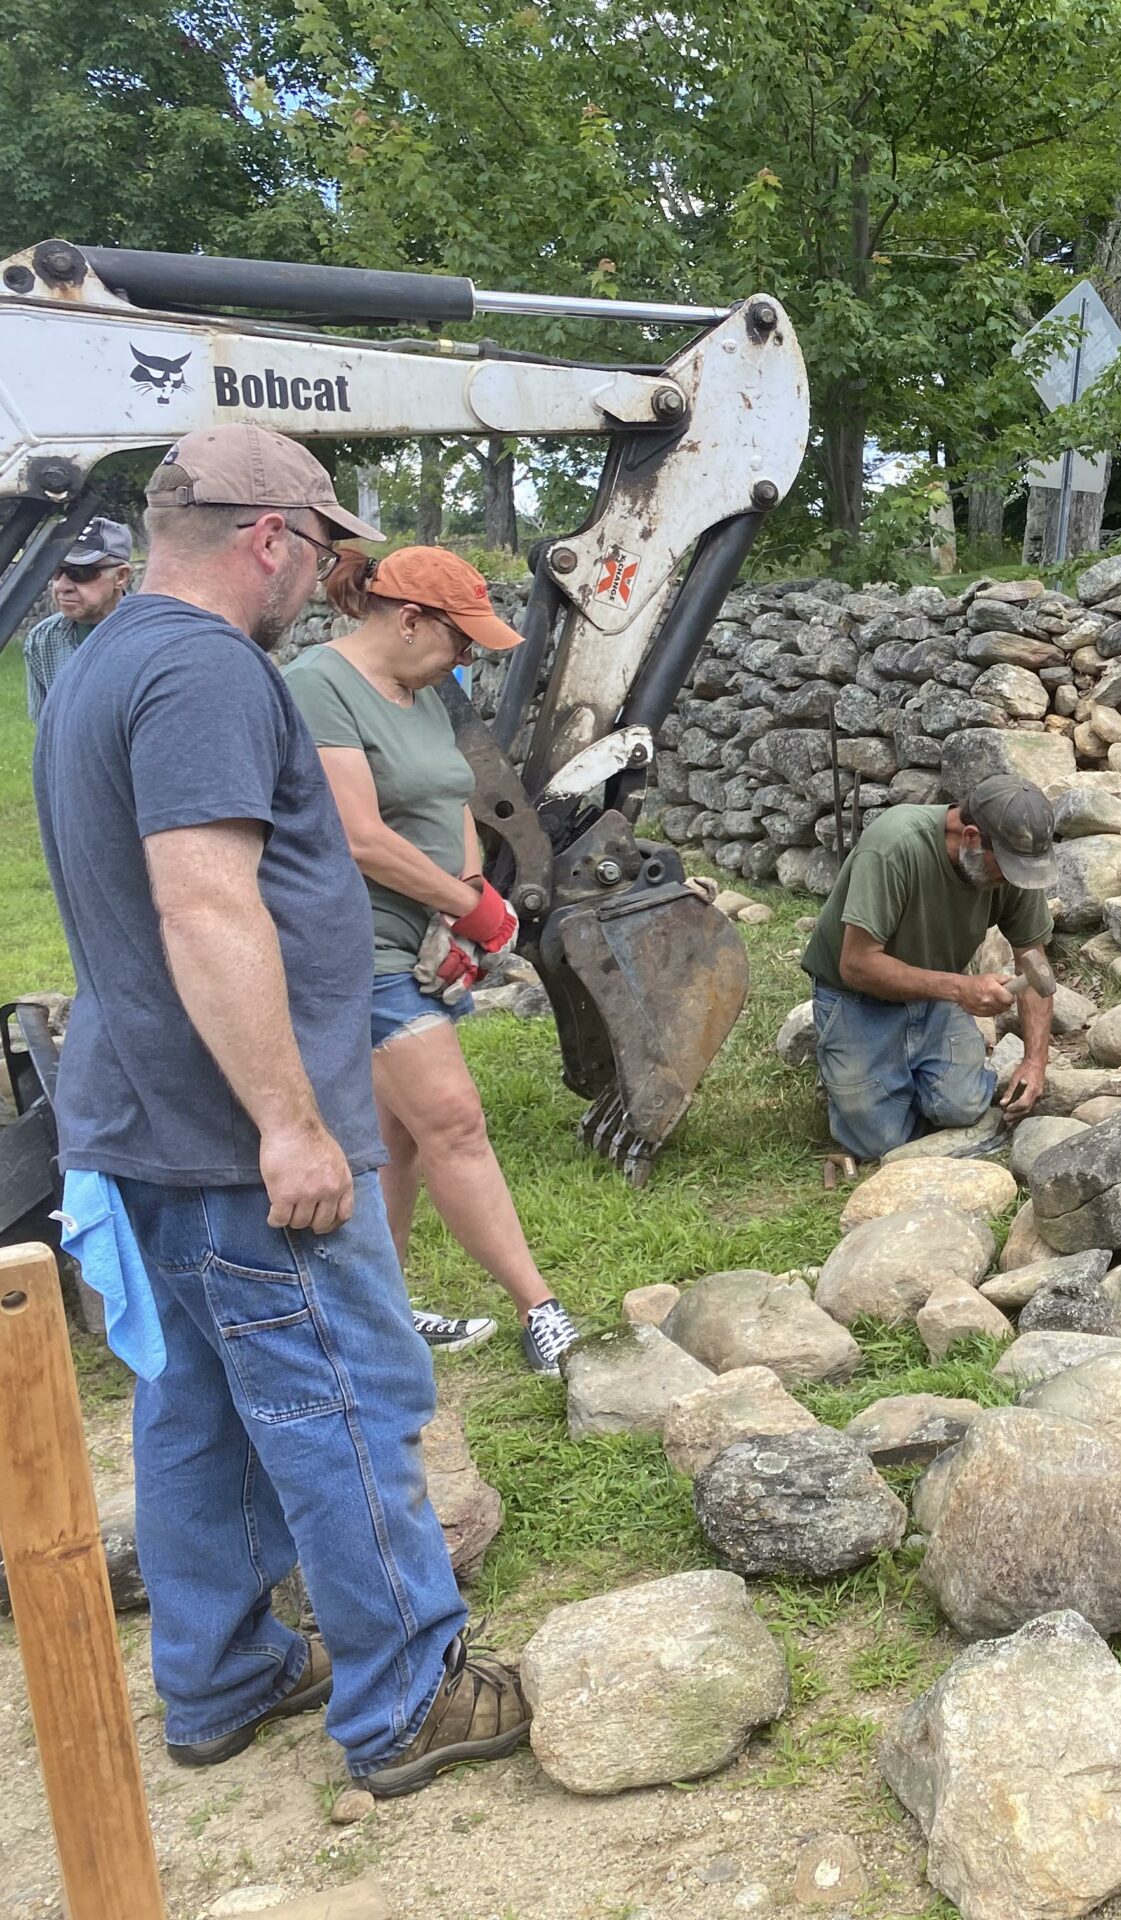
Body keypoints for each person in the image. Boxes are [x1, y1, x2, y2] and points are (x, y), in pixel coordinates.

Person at [33, 424, 529, 1796]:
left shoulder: (103, 657)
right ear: (269, 538)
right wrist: (291, 1122)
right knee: (348, 1397)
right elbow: (203, 900)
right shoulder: (202, 670)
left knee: (194, 1409)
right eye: (322, 550)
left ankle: (220, 1673)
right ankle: (408, 1698)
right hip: (233, 1139)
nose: (324, 578)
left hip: (141, 1119)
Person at [282, 546, 582, 1377]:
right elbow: (357, 834)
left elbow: (449, 796)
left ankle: (378, 1315)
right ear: (410, 618)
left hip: (416, 943)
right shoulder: (318, 688)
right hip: (352, 946)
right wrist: (470, 908)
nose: (469, 657)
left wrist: (469, 902)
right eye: (462, 641)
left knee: (399, 1137)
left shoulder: (424, 691)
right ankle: (540, 1309)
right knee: (452, 1118)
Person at [800, 774, 1059, 1160]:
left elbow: (1033, 960)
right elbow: (856, 965)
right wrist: (960, 989)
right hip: (856, 996)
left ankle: (892, 1079)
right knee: (877, 1143)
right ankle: (852, 1077)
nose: (1011, 879)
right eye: (1004, 867)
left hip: (933, 999)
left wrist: (1035, 1061)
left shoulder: (1011, 866)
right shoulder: (894, 845)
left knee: (965, 1107)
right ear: (971, 837)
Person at [22, 517, 134, 720]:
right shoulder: (42, 639)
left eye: (79, 572)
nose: (61, 586)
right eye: (55, 571)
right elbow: (46, 727)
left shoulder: (156, 637)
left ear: (121, 577)